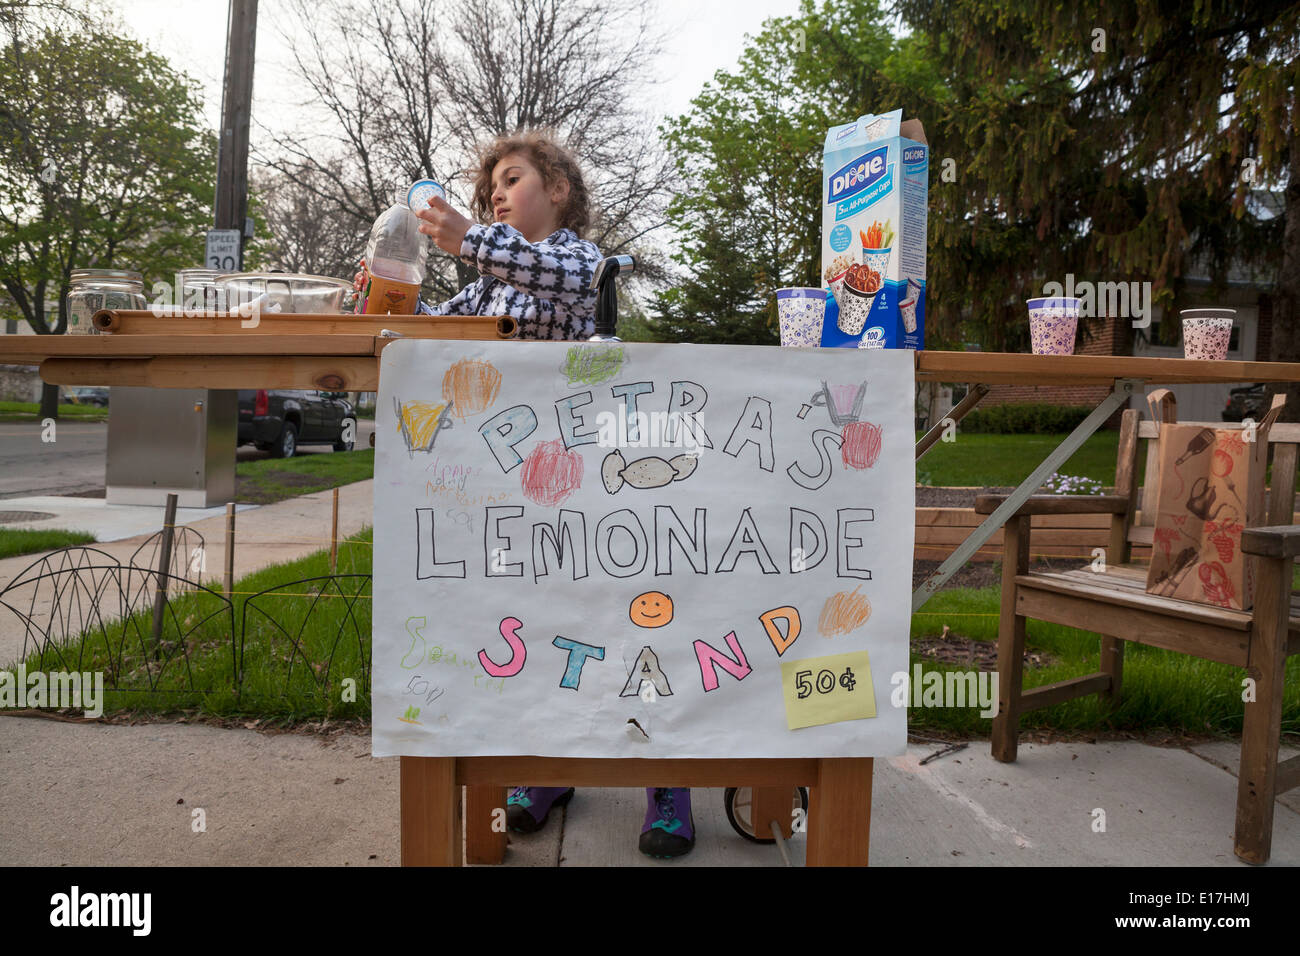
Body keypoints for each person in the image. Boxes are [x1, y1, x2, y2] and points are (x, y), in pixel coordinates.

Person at [385, 131, 696, 859]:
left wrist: (468, 239)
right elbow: (440, 327)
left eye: (513, 178)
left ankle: (667, 779)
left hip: (589, 478)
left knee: (626, 619)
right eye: (489, 186)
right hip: (513, 481)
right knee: (535, 627)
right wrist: (385, 298)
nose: (496, 192)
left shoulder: (572, 258)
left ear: (557, 191)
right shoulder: (488, 279)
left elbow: (551, 282)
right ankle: (547, 768)